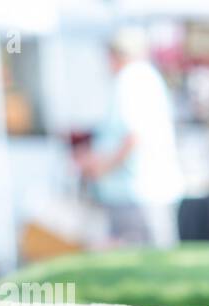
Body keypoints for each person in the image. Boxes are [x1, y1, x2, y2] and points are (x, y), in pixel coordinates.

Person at [77, 28, 183, 248]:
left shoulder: (132, 79)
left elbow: (134, 137)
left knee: (139, 262)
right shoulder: (145, 77)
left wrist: (103, 166)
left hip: (136, 192)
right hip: (144, 191)